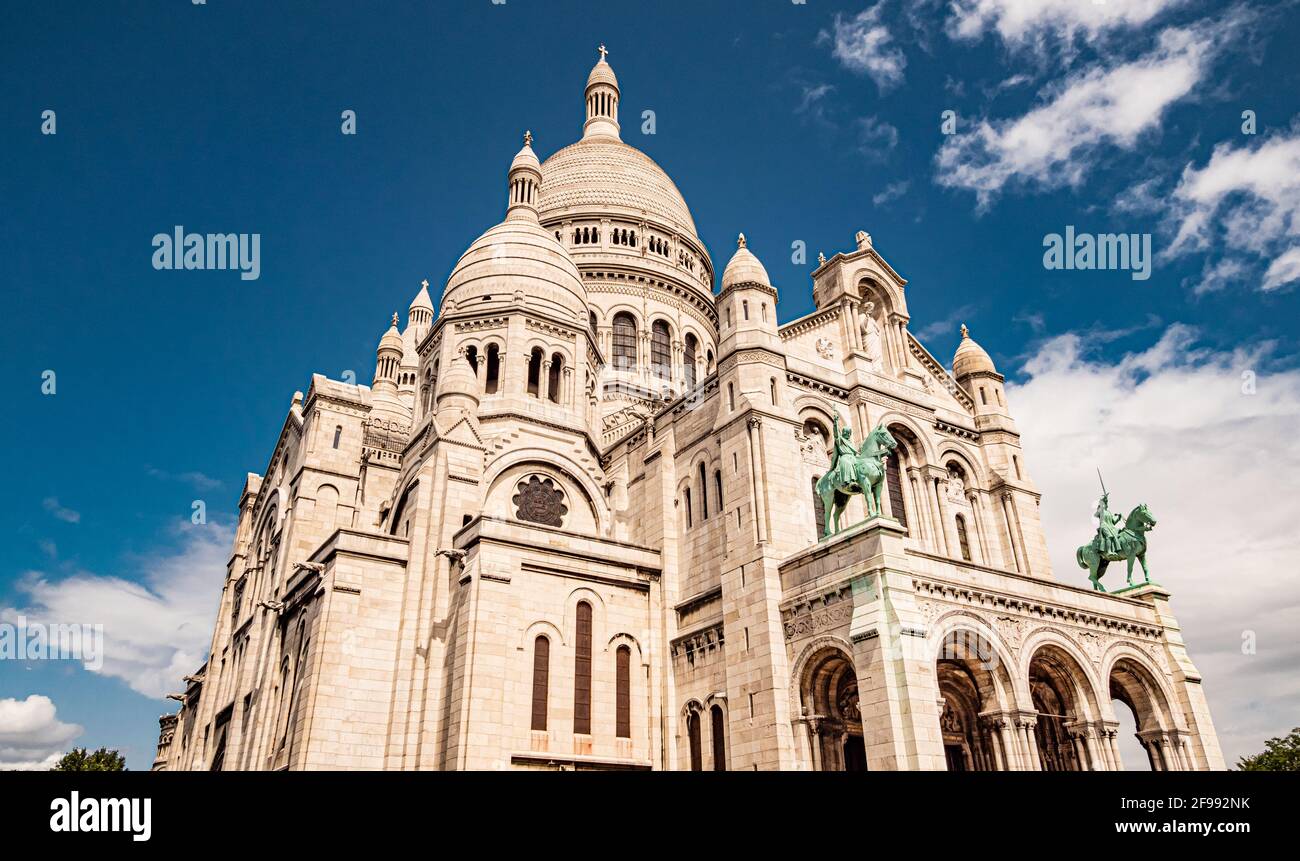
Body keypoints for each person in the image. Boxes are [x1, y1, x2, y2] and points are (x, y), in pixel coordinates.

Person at [829, 415, 859, 490]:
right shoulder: (840, 440)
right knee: (848, 463)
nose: (848, 434)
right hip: (845, 457)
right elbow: (836, 434)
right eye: (847, 433)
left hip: (853, 457)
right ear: (843, 433)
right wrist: (835, 422)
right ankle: (849, 482)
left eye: (849, 433)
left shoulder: (851, 443)